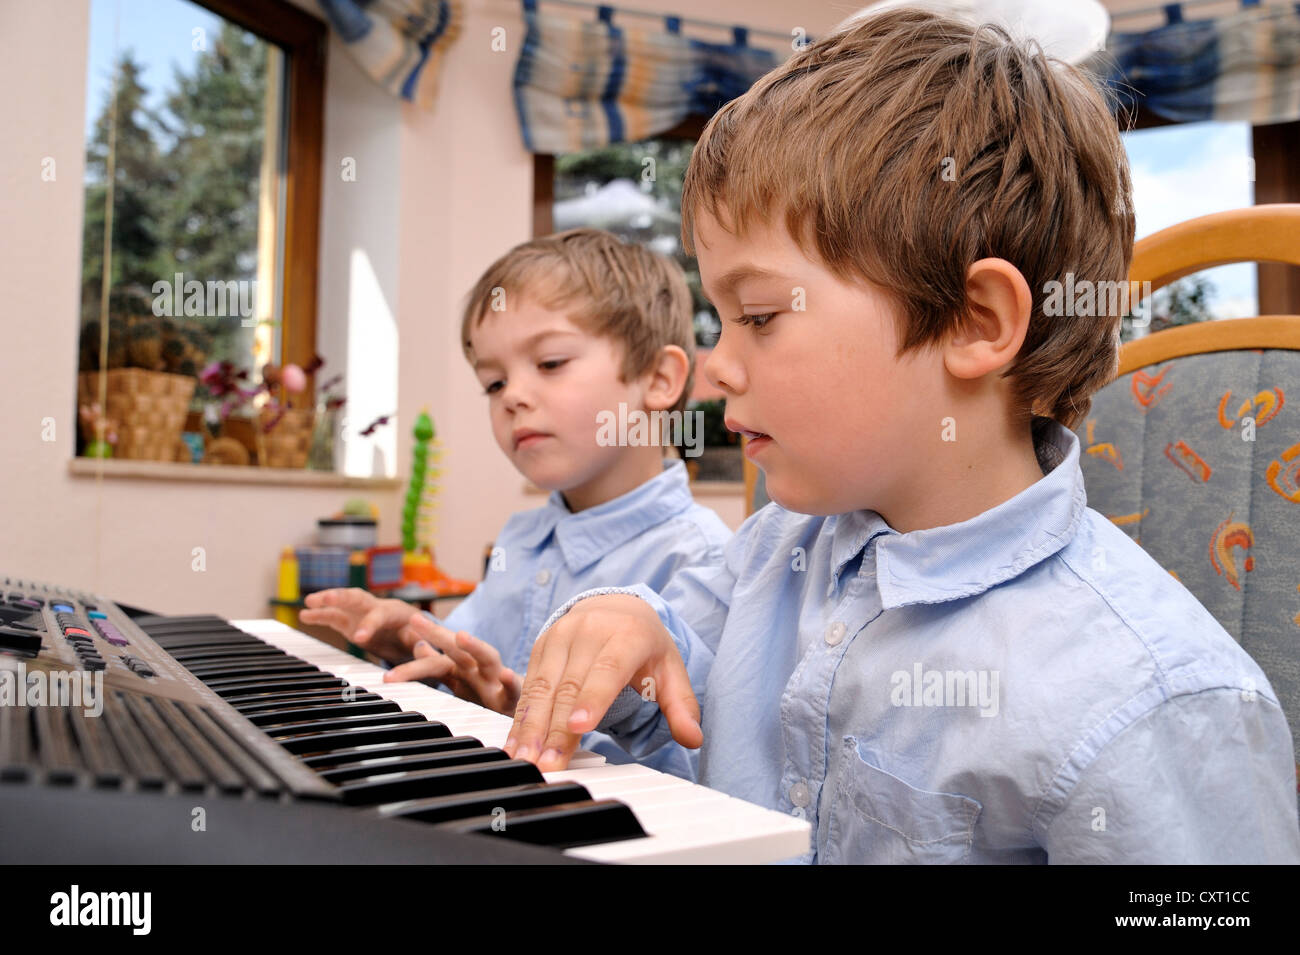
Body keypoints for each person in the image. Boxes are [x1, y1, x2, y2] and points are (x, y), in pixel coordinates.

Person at [497, 10, 1300, 862]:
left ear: (975, 321)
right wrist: (619, 619)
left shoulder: (1151, 700)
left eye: (760, 316)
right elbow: (671, 655)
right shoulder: (780, 546)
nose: (715, 369)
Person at [301, 228, 732, 780]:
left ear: (659, 378)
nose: (513, 397)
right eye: (493, 382)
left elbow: (698, 766)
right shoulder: (520, 538)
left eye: (550, 363)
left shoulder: (705, 560)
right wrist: (411, 637)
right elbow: (466, 660)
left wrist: (525, 719)